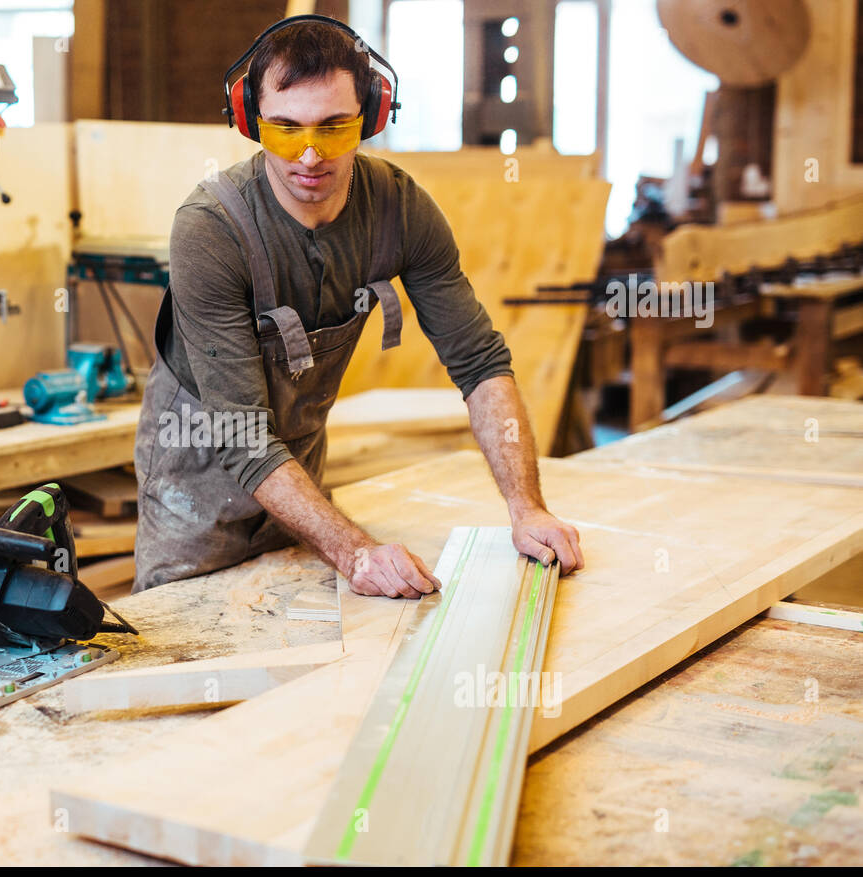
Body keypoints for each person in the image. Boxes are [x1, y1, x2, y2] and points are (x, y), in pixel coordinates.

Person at [133, 15, 584, 596]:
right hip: (192, 498)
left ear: (371, 117)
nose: (311, 154)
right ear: (250, 122)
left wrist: (528, 508)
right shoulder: (210, 230)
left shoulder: (399, 209)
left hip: (301, 496)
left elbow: (480, 364)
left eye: (335, 127)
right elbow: (242, 435)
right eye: (285, 129)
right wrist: (356, 551)